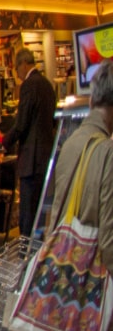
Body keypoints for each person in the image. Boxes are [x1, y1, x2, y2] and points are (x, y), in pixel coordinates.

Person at [46, 59, 113, 272]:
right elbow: (108, 238)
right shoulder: (108, 152)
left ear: (92, 100)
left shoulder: (71, 141)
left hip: (63, 271)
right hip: (90, 280)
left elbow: (56, 211)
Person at [2, 48, 58, 237]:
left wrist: (4, 141)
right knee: (40, 213)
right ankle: (37, 254)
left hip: (31, 162)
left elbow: (21, 124)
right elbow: (52, 120)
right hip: (45, 158)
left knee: (27, 215)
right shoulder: (47, 85)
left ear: (23, 64)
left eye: (16, 70)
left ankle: (26, 258)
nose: (17, 75)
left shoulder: (28, 86)